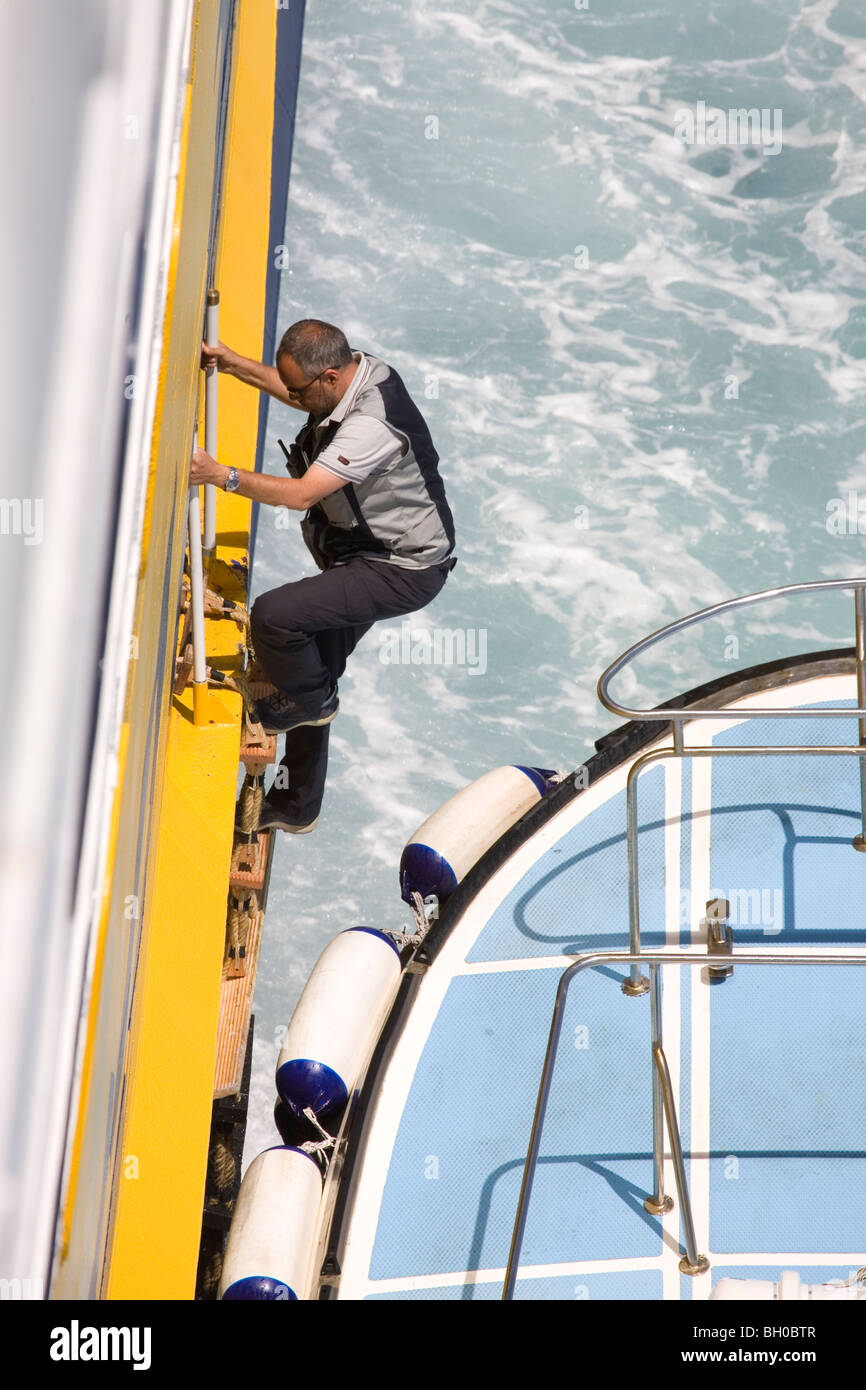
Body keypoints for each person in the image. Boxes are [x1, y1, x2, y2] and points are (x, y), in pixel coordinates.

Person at [190, 319, 456, 833]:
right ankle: (296, 806)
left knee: (277, 617)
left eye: (298, 389)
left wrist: (218, 474)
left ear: (330, 377)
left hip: (402, 566)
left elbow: (302, 495)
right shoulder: (347, 375)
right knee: (310, 670)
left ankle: (312, 703)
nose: (291, 395)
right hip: (363, 551)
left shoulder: (372, 423)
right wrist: (232, 362)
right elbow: (294, 388)